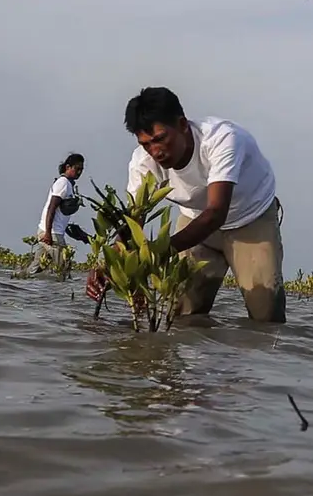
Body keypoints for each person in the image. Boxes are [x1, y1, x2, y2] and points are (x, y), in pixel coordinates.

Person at [87, 87, 285, 322]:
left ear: (182, 124)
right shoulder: (143, 162)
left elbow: (216, 213)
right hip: (195, 219)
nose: (155, 151)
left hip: (250, 219)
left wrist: (155, 255)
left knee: (266, 318)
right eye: (146, 144)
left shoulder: (222, 139)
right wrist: (114, 260)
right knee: (180, 314)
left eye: (160, 139)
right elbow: (133, 222)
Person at [39, 153, 86, 247]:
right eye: (77, 169)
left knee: (39, 261)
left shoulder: (68, 184)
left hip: (50, 230)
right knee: (61, 261)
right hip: (53, 233)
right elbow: (52, 208)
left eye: (81, 169)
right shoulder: (63, 183)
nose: (79, 172)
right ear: (68, 167)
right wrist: (48, 233)